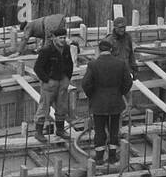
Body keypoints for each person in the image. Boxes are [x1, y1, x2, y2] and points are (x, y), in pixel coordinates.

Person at [81, 38, 133, 166]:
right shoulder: (120, 63)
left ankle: (99, 158)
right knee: (114, 130)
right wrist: (119, 92)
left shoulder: (93, 64)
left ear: (99, 50)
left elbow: (86, 83)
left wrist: (92, 95)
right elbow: (128, 82)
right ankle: (112, 157)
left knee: (99, 131)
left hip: (98, 103)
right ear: (111, 50)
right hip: (115, 102)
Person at [33, 26, 75, 141]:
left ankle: (60, 130)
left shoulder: (66, 49)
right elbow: (37, 68)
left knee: (62, 106)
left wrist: (67, 79)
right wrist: (47, 80)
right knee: (44, 107)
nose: (63, 40)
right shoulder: (47, 50)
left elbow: (70, 64)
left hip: (62, 83)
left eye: (64, 37)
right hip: (50, 84)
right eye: (60, 38)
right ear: (54, 38)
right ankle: (39, 132)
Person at [108, 16, 138, 80]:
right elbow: (105, 60)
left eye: (124, 27)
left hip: (126, 72)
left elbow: (131, 55)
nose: (122, 29)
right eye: (120, 27)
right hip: (114, 74)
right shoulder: (109, 40)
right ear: (115, 27)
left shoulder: (128, 38)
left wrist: (134, 69)